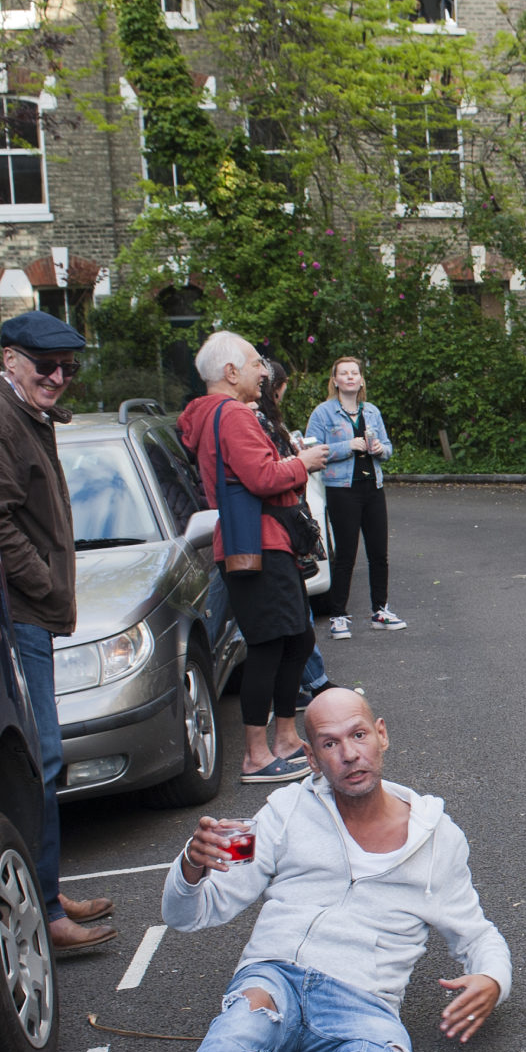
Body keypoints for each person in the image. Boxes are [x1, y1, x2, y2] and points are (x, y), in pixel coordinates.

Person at [114, 688, 511, 1052]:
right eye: (330, 743)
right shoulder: (283, 813)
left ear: (381, 735)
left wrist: (491, 978)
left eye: (359, 735)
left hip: (364, 1004)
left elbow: (479, 934)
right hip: (275, 976)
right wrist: (190, 867)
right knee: (247, 1020)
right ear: (311, 756)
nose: (349, 753)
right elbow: (194, 913)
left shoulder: (440, 841)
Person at [0, 310, 117, 955]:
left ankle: (47, 895)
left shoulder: (25, 410)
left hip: (34, 611)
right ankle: (45, 913)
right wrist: (48, 586)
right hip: (21, 613)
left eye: (67, 368)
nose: (57, 377)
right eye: (45, 365)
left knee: (43, 760)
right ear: (10, 359)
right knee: (43, 758)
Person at [178, 332, 329, 783]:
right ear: (230, 372)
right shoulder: (231, 414)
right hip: (258, 545)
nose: (263, 371)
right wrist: (303, 463)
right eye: (254, 363)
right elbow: (262, 477)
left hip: (261, 542)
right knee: (269, 647)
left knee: (296, 640)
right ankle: (257, 756)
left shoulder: (216, 414)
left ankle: (284, 740)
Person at [306, 356, 403, 640]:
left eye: (354, 373)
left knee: (379, 553)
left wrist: (379, 449)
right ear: (335, 381)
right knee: (346, 555)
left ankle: (380, 611)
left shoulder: (371, 411)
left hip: (373, 487)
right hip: (341, 489)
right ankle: (338, 616)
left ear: (361, 380)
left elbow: (388, 448)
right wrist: (347, 445)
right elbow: (312, 452)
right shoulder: (323, 413)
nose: (350, 377)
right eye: (344, 373)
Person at [255, 362, 332, 709]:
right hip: (276, 532)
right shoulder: (256, 421)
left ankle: (310, 685)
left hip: (281, 529)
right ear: (277, 386)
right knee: (293, 621)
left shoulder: (262, 420)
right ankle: (313, 685)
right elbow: (267, 478)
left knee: (294, 619)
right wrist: (301, 461)